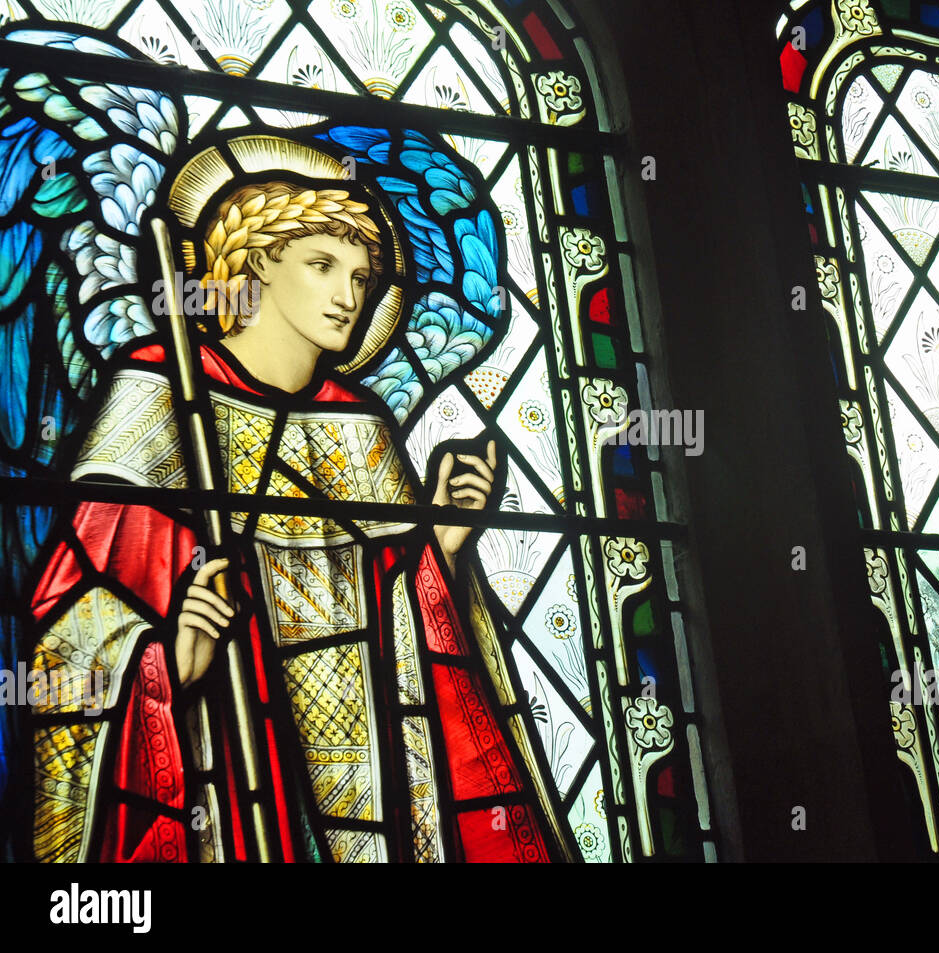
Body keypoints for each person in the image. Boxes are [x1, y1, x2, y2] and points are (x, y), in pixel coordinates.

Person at [26, 179, 559, 862]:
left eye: (364, 277)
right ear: (253, 263)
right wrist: (163, 662)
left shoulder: (359, 425)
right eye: (323, 265)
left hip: (371, 814)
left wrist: (441, 549)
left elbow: (401, 627)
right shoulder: (156, 396)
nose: (350, 295)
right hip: (226, 793)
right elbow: (71, 621)